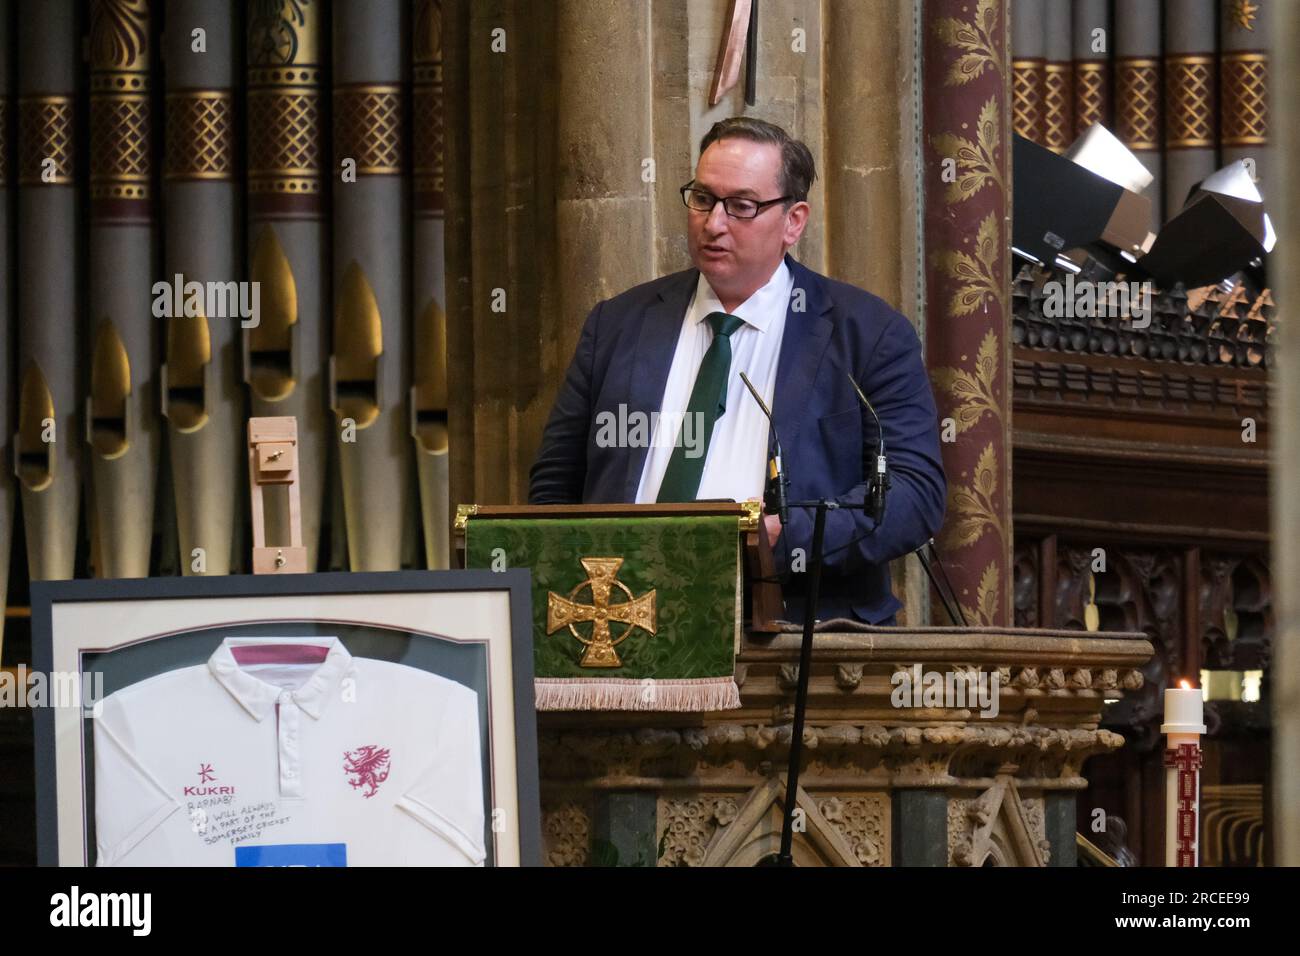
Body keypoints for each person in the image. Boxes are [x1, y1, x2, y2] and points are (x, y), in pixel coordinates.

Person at [529, 116, 945, 625]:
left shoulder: (865, 334)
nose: (713, 223)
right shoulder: (618, 325)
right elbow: (555, 484)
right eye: (702, 199)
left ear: (793, 221)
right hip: (623, 620)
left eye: (741, 206)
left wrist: (780, 535)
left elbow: (914, 493)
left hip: (789, 630)